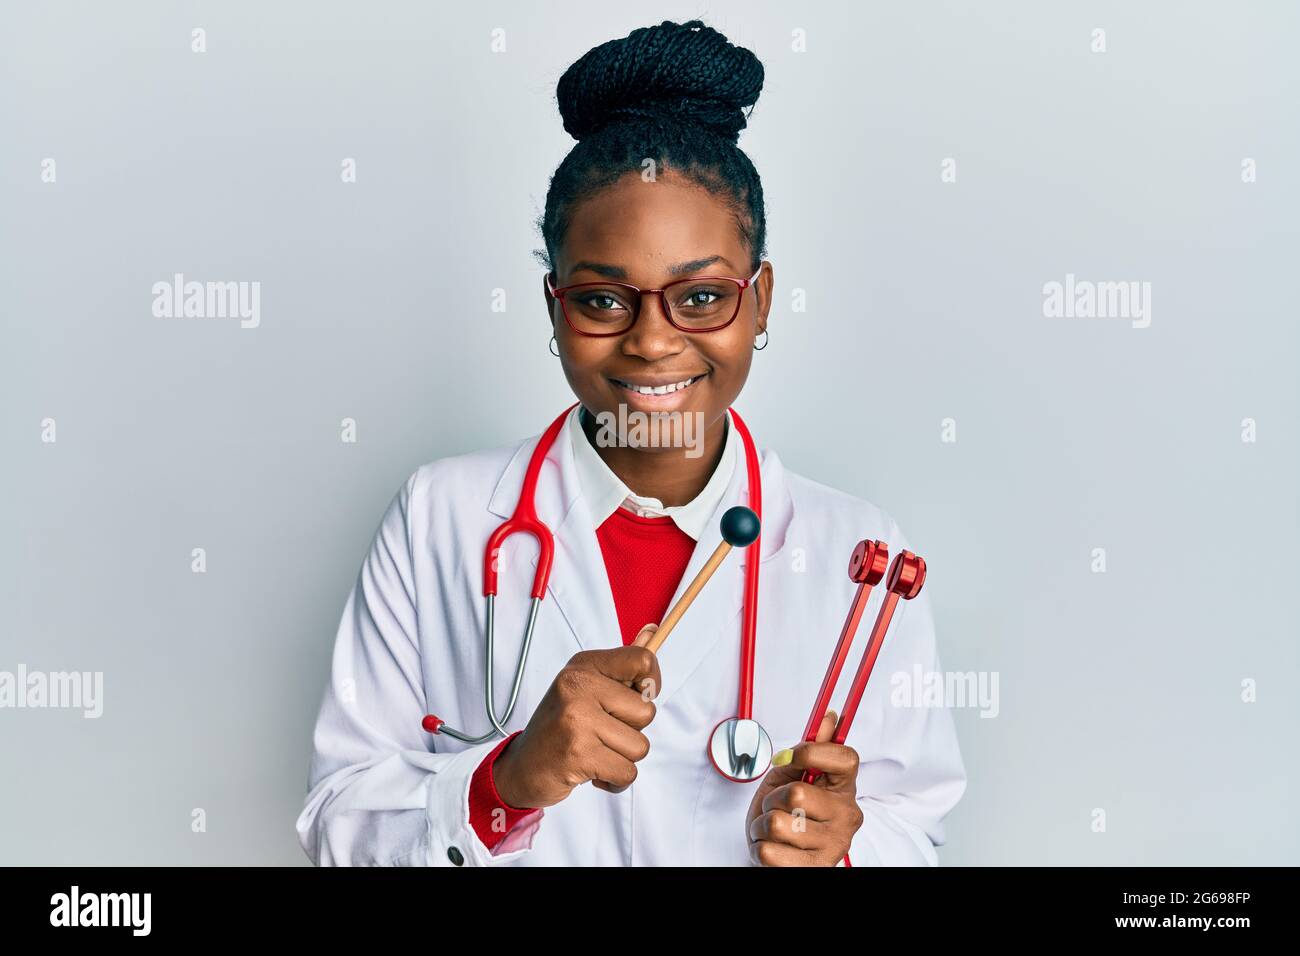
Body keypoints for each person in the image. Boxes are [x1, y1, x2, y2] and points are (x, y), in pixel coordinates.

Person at [296, 18, 965, 867]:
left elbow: (916, 829)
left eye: (701, 297)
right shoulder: (442, 520)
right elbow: (336, 823)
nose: (652, 342)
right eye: (604, 300)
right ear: (554, 307)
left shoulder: (861, 562)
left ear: (760, 301)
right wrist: (503, 785)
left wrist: (847, 850)